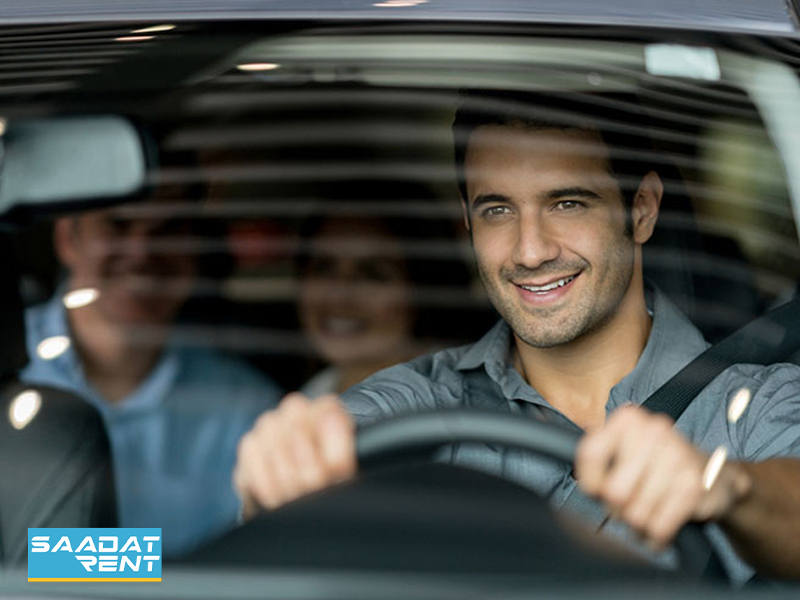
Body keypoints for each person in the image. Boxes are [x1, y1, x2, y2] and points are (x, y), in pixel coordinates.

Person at [232, 91, 800, 583]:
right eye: (498, 210)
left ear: (642, 210)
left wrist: (725, 486)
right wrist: (288, 470)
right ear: (467, 221)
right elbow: (346, 438)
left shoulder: (752, 403)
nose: (530, 251)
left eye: (568, 203)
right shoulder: (421, 401)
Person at [21, 185, 282, 557]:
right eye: (118, 223)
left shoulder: (248, 408)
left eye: (169, 229)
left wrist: (45, 558)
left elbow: (246, 564)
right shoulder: (7, 357)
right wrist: (162, 562)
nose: (142, 251)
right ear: (67, 238)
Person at [297, 182, 477, 397]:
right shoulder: (309, 399)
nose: (338, 296)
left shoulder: (466, 403)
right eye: (323, 268)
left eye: (372, 274)